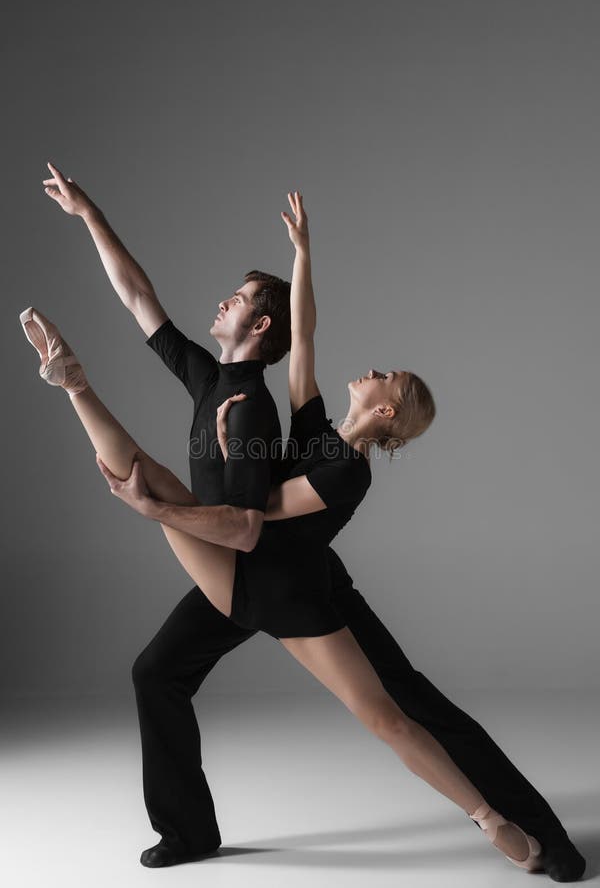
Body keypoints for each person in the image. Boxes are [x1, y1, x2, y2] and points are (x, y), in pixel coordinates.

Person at [30, 165, 584, 881]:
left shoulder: (334, 463)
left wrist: (165, 502)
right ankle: (189, 833)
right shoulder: (298, 414)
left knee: (403, 706)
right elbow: (280, 326)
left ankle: (536, 833)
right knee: (158, 673)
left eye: (386, 374)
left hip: (282, 579)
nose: (374, 366)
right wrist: (297, 252)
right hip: (261, 566)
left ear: (386, 412)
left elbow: (253, 518)